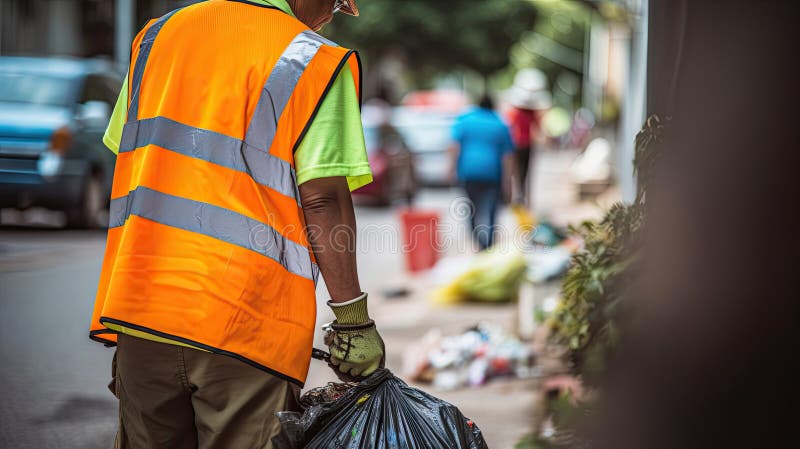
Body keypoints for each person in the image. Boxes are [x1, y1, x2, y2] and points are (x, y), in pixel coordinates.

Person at [88, 1, 385, 447]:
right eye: (334, 4)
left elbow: (130, 149)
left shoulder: (156, 36)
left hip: (143, 305)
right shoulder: (315, 60)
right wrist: (352, 319)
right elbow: (322, 198)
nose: (330, 16)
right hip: (247, 322)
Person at [449, 95, 515, 250]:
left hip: (468, 171)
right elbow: (508, 157)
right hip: (492, 173)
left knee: (471, 209)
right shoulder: (501, 124)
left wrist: (451, 168)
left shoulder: (465, 120)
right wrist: (508, 182)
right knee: (491, 210)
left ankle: (479, 241)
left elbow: (454, 146)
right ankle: (489, 244)